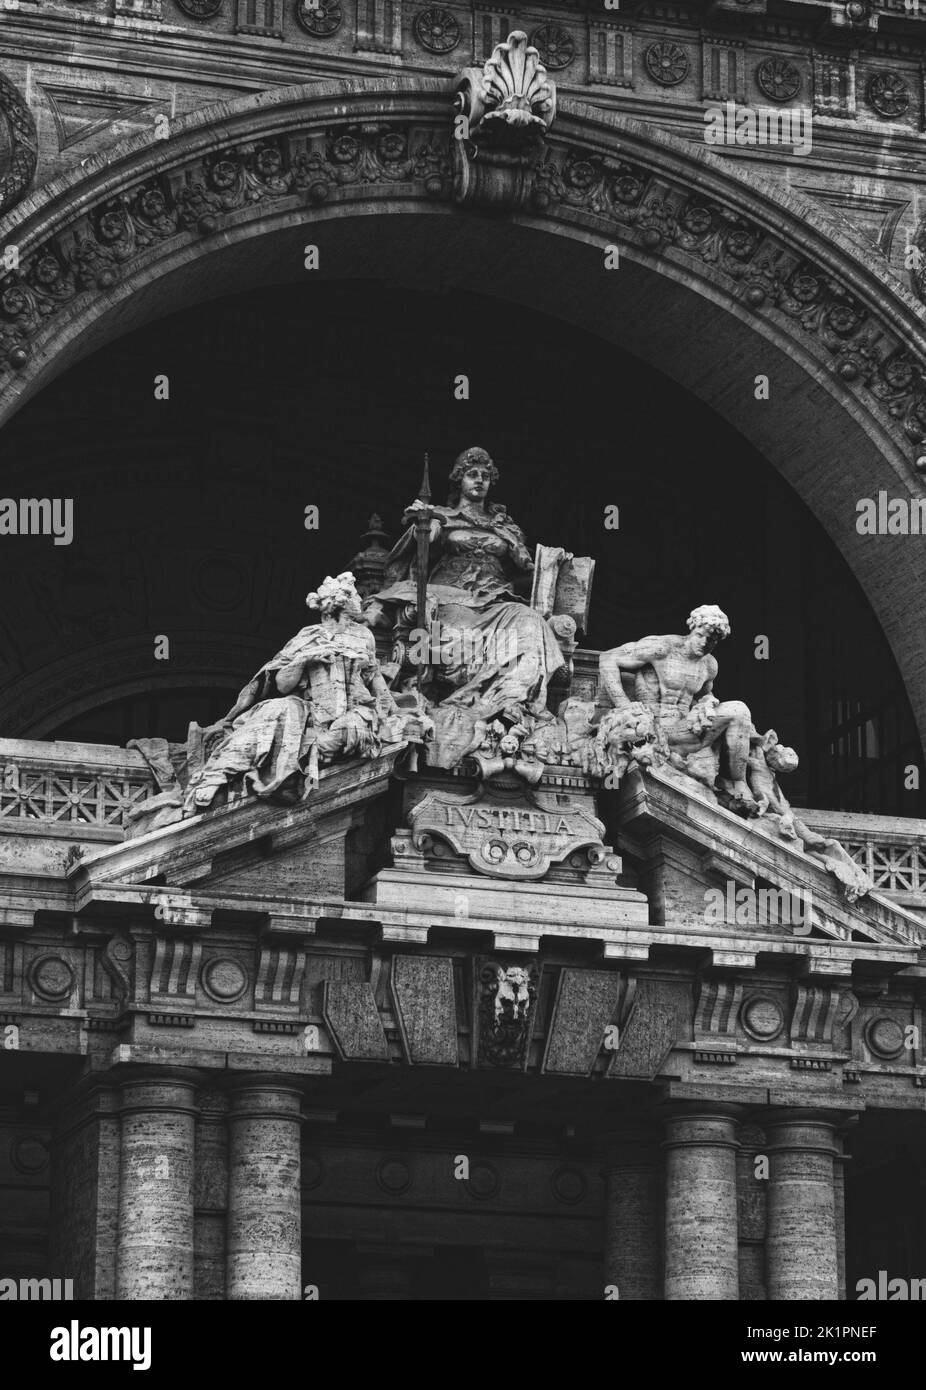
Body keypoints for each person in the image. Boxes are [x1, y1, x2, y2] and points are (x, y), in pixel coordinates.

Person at [371, 446, 565, 767]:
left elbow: (526, 569)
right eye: (473, 474)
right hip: (452, 597)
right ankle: (463, 701)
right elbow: (422, 542)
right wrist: (424, 526)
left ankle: (511, 702)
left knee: (531, 622)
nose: (480, 481)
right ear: (459, 479)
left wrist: (545, 564)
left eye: (486, 476)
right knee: (452, 633)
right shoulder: (442, 517)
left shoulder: (507, 527)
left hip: (497, 601)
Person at [184, 572, 403, 811]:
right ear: (341, 603)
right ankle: (216, 776)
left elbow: (375, 678)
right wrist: (304, 660)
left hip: (355, 712)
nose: (360, 601)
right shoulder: (307, 637)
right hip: (310, 710)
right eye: (355, 596)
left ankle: (296, 771)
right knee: (274, 712)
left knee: (350, 728)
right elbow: (282, 685)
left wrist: (393, 711)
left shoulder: (363, 637)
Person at [597, 603, 758, 808]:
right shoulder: (662, 648)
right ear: (692, 628)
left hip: (685, 729)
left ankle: (735, 782)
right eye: (701, 635)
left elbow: (703, 694)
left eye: (712, 640)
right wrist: (624, 706)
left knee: (739, 711)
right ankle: (731, 783)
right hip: (655, 728)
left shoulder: (709, 665)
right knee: (738, 710)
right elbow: (608, 658)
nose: (705, 642)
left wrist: (708, 702)